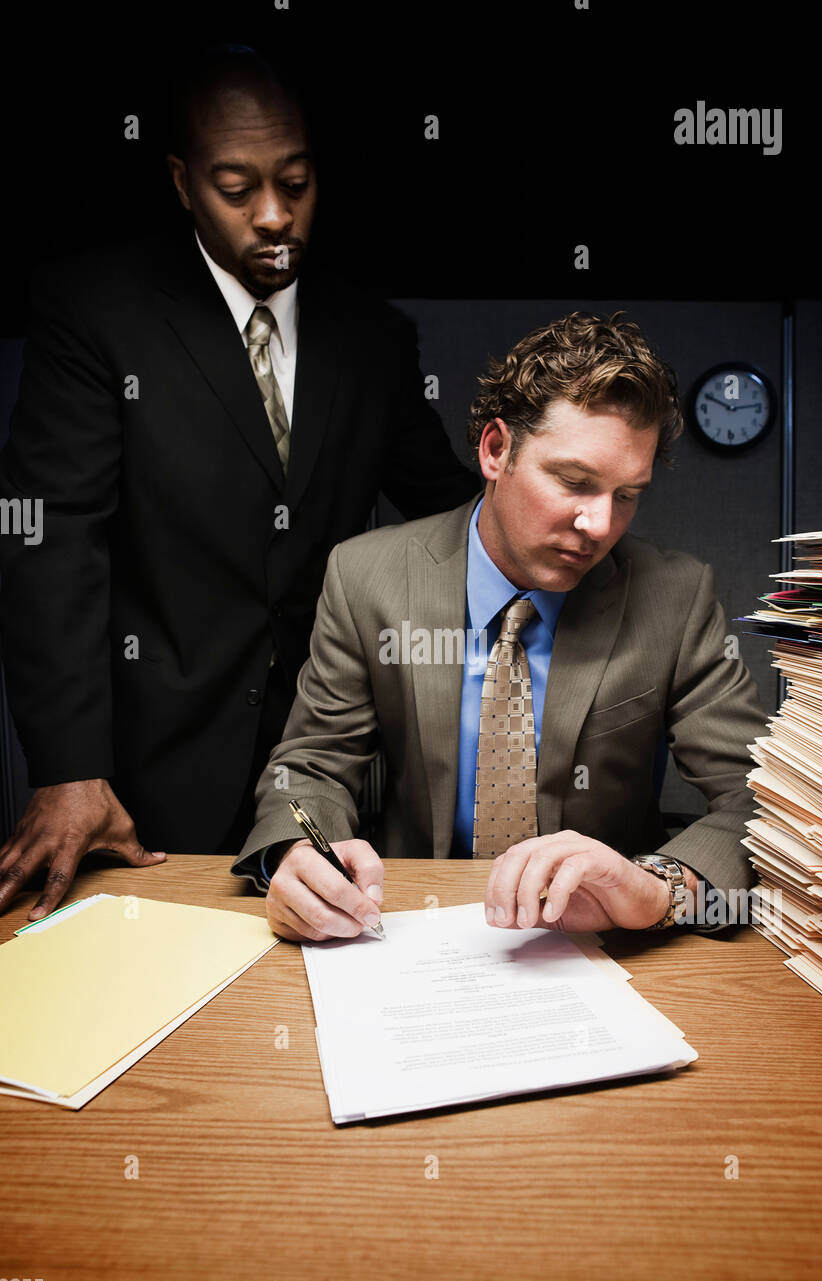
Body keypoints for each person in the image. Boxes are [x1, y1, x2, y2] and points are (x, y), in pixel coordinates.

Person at [0, 44, 478, 920]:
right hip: (140, 775)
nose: (273, 216)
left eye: (295, 184)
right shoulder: (95, 311)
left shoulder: (371, 337)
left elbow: (449, 512)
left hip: (326, 767)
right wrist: (70, 765)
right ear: (183, 183)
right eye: (236, 187)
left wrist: (561, 505)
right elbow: (52, 538)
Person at [232, 309, 770, 942]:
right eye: (574, 481)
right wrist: (297, 853)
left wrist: (658, 889)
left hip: (600, 946)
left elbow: (759, 800)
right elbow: (314, 765)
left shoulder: (674, 598)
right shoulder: (366, 576)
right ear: (495, 450)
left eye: (627, 494)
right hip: (406, 927)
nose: (599, 524)